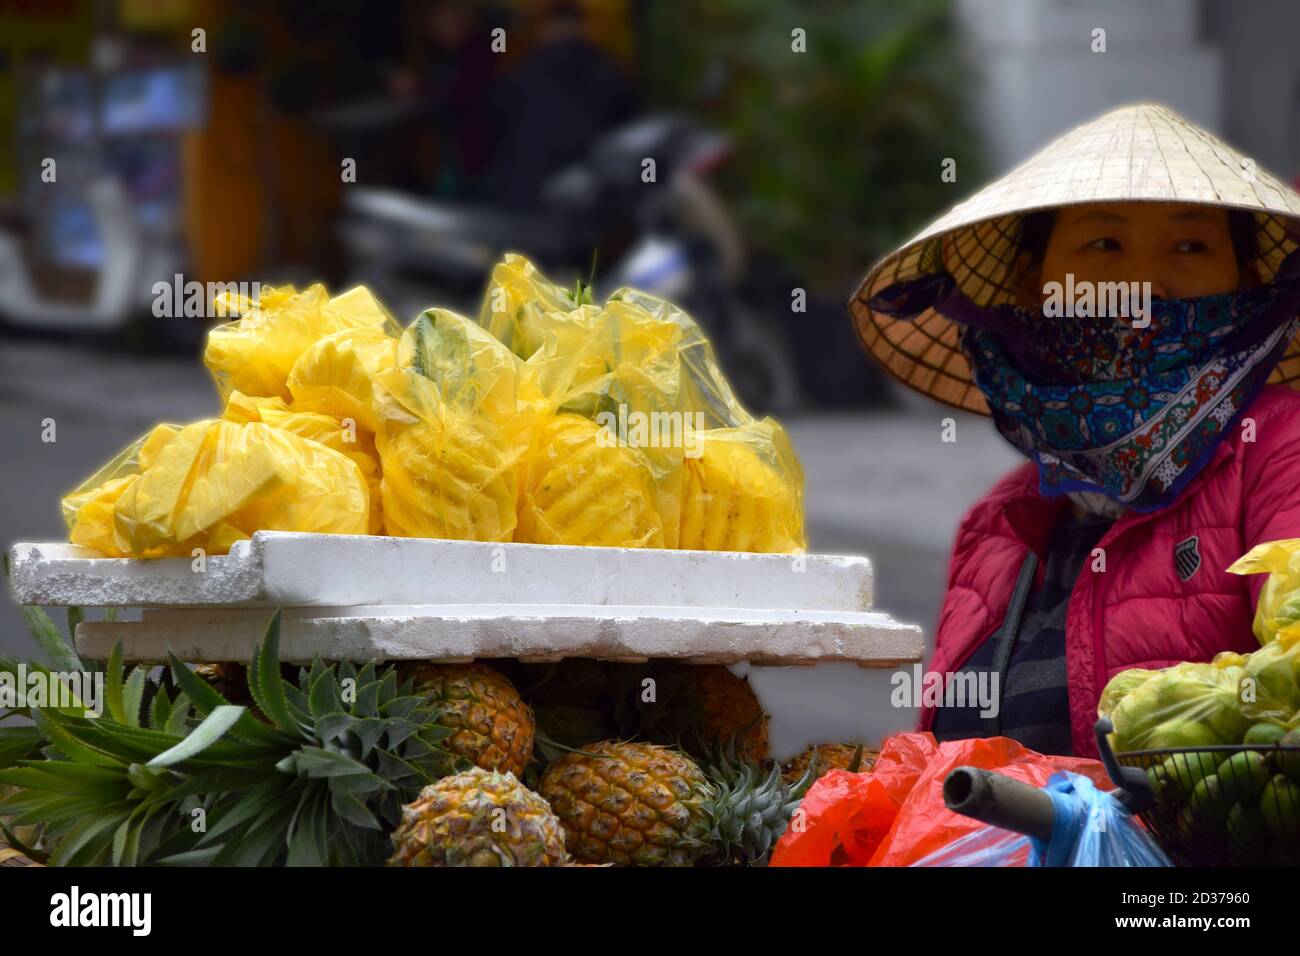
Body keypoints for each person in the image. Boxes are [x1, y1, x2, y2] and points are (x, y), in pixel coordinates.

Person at [850, 103, 1300, 758]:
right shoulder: (997, 524)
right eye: (1104, 244)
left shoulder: (1277, 453)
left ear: (1248, 286)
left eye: (1191, 245)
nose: (1143, 283)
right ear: (1035, 287)